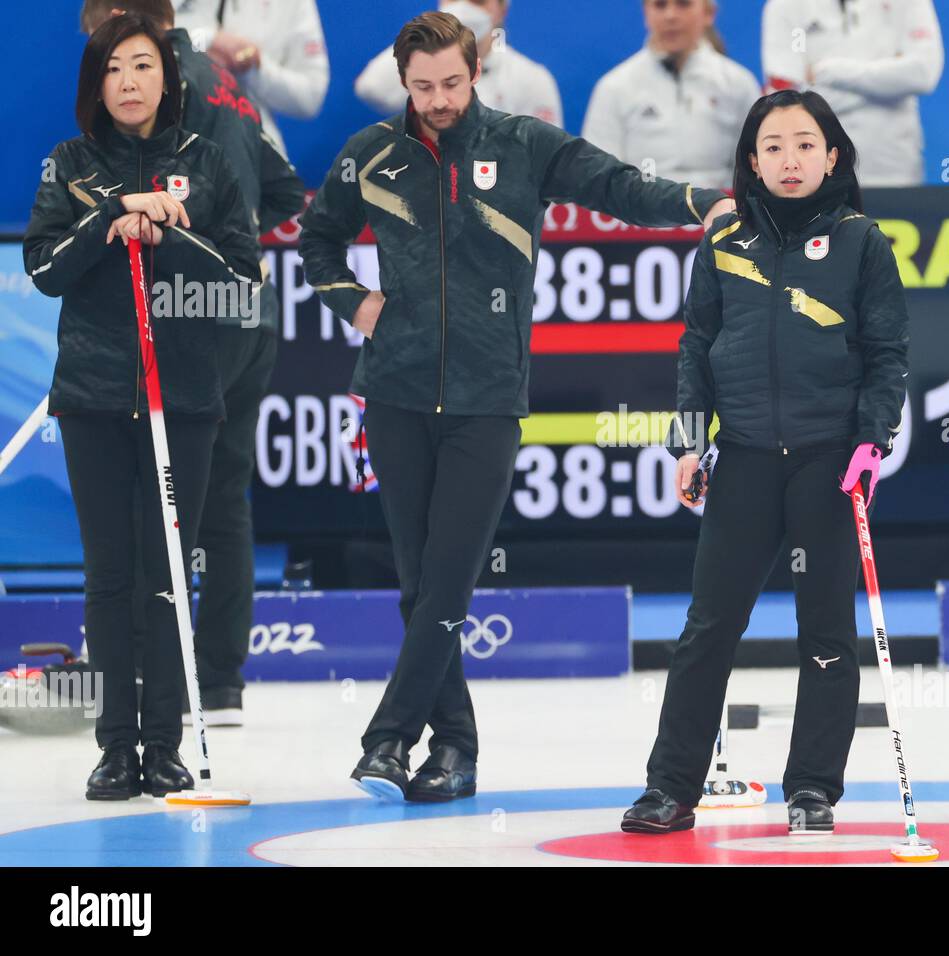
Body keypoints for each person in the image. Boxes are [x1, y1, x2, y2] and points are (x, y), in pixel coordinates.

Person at [298, 11, 734, 803]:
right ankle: (455, 752)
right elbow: (316, 239)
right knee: (418, 584)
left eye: (452, 84)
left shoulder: (523, 145)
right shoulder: (370, 155)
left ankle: (389, 737)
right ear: (404, 81)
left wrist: (697, 200)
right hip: (392, 393)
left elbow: (617, 185)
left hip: (488, 398)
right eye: (423, 87)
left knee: (448, 580)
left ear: (476, 72)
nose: (438, 100)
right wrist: (351, 300)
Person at [621, 89, 909, 836]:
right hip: (744, 459)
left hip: (827, 464)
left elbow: (887, 357)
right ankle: (670, 790)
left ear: (832, 155)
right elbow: (695, 347)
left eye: (806, 144)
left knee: (824, 633)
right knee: (708, 628)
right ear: (752, 161)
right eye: (774, 146)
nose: (790, 159)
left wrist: (871, 442)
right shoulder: (723, 245)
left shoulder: (861, 242)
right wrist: (689, 442)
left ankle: (812, 789)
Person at [23, 13, 262, 799]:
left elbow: (240, 288)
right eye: (113, 70)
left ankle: (164, 744)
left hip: (185, 400)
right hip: (93, 399)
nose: (128, 82)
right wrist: (110, 217)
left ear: (169, 76)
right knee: (109, 573)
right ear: (96, 85)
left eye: (142, 65)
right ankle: (113, 747)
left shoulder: (210, 161)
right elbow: (47, 270)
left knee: (166, 571)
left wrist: (168, 230)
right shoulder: (70, 164)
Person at [81, 0, 306, 728]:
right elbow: (282, 191)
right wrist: (234, 246)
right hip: (253, 316)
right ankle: (221, 684)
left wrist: (192, 247)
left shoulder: (165, 86)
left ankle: (150, 682)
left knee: (155, 497)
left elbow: (166, 189)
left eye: (106, 45)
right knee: (226, 500)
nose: (111, 73)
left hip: (189, 323)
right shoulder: (224, 80)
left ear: (120, 18)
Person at [760, 0, 943, 187]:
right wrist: (889, 87)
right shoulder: (784, 6)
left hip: (895, 174)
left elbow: (923, 74)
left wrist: (827, 72)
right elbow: (786, 102)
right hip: (817, 178)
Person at [582, 0, 760, 190]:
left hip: (724, 214)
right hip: (639, 214)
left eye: (683, 4)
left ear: (708, 13)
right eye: (660, 5)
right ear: (646, 13)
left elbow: (759, 169)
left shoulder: (739, 85)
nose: (670, 16)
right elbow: (598, 180)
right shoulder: (614, 88)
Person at [356, 0, 563, 127]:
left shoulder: (532, 80)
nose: (463, 8)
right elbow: (371, 88)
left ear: (501, 11)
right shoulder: (422, 62)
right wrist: (426, 34)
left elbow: (546, 165)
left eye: (477, 1)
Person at [171, 0, 329, 154]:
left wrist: (255, 69)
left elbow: (311, 96)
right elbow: (153, 34)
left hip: (252, 149)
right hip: (172, 140)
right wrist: (203, 42)